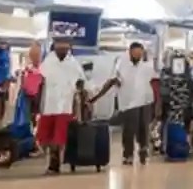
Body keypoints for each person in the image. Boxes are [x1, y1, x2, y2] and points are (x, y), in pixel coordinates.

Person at [94, 41, 159, 165]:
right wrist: (97, 97)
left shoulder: (147, 68)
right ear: (130, 52)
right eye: (135, 53)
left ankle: (143, 152)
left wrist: (158, 104)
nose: (138, 55)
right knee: (129, 129)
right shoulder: (122, 66)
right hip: (128, 103)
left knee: (143, 128)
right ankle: (128, 155)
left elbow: (155, 84)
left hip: (145, 102)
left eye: (140, 53)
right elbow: (111, 82)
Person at [36, 39, 85, 174]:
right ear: (55, 47)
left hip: (65, 105)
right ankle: (54, 159)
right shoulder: (48, 62)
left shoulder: (73, 63)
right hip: (48, 105)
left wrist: (81, 102)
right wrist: (36, 104)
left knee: (59, 137)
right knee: (45, 137)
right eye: (59, 46)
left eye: (65, 46)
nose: (62, 49)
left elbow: (80, 82)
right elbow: (40, 82)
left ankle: (54, 162)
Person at [19, 42, 44, 129]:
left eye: (37, 53)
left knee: (34, 116)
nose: (36, 56)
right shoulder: (27, 69)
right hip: (29, 96)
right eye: (34, 54)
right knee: (29, 117)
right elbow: (23, 84)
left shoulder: (43, 68)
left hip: (38, 95)